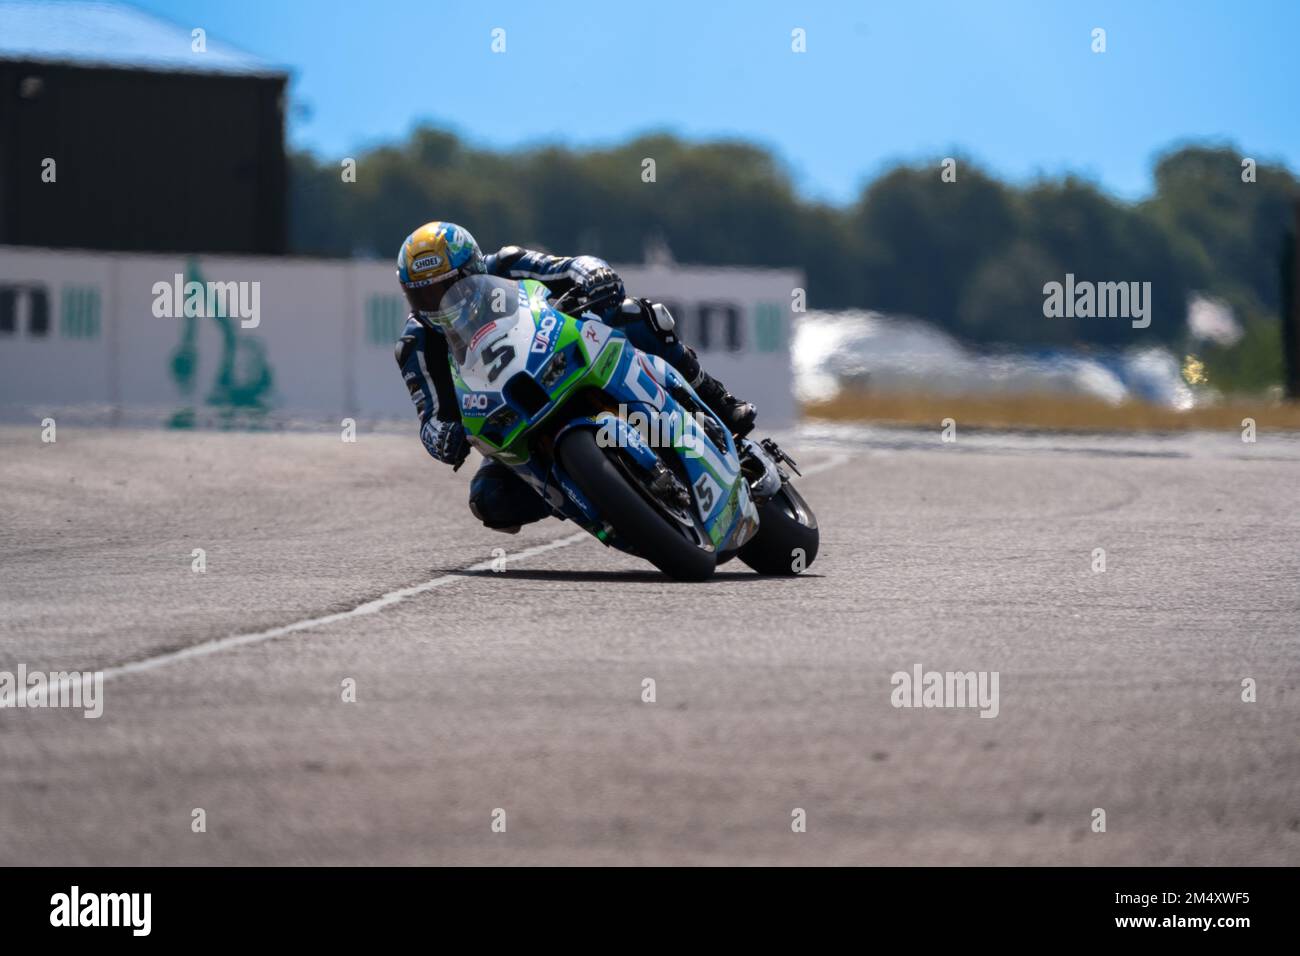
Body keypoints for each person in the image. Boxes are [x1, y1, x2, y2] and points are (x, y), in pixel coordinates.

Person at [395, 220, 756, 532]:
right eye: (421, 295)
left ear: (472, 269)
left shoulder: (505, 264)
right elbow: (430, 418)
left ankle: (718, 400)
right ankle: (592, 494)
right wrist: (444, 437)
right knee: (489, 501)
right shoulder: (417, 344)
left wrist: (594, 275)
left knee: (636, 315)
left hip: (561, 357)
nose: (436, 302)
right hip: (511, 416)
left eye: (444, 288)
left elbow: (570, 266)